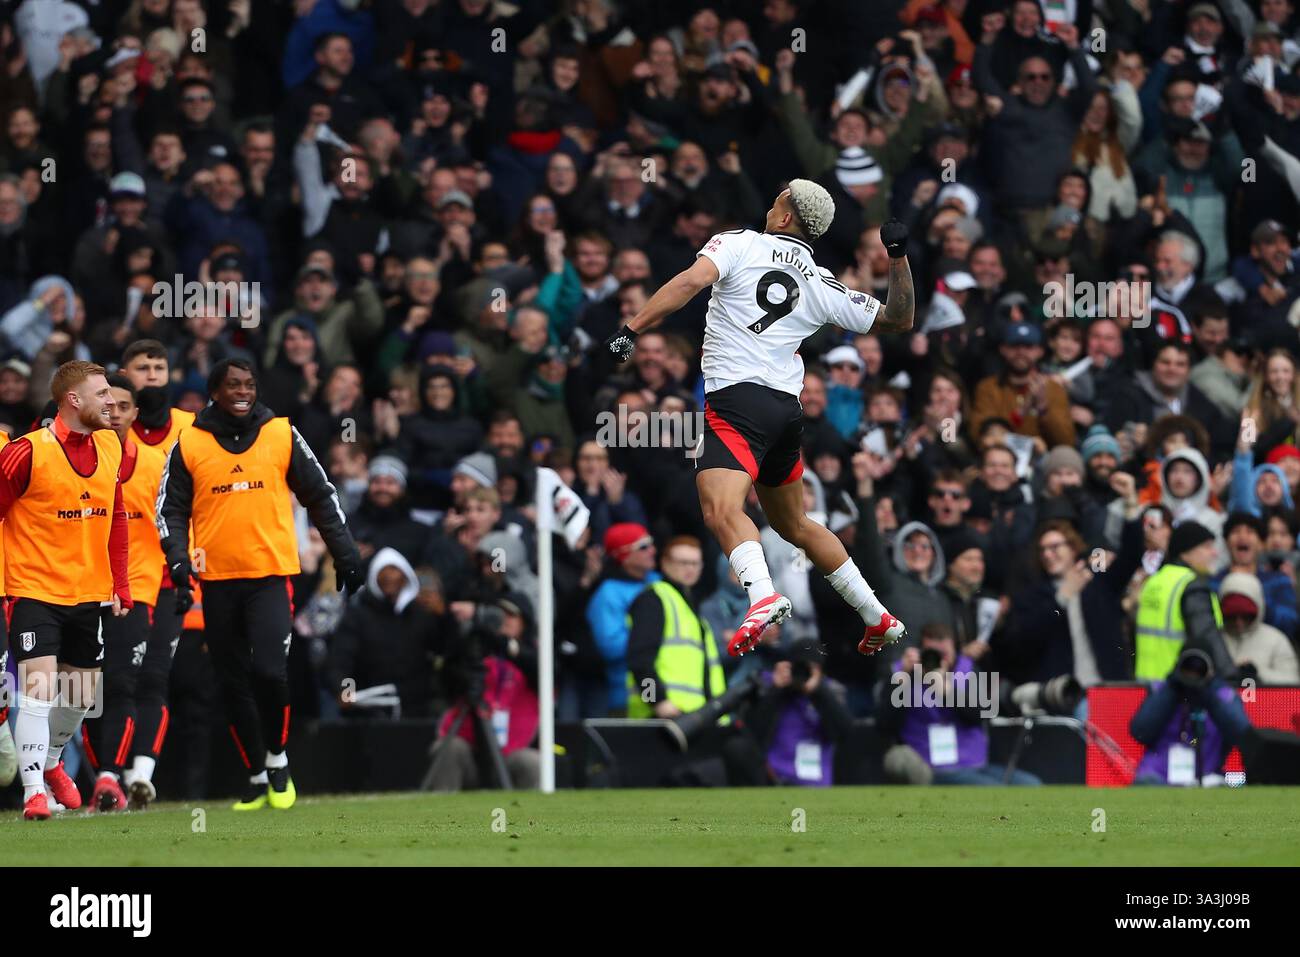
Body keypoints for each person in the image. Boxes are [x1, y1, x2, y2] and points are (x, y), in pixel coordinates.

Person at [603, 180, 916, 659]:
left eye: (776, 200)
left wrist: (630, 331)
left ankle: (762, 595)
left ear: (786, 216)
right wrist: (896, 256)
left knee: (721, 510)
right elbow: (898, 318)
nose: (769, 206)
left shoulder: (739, 243)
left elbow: (688, 283)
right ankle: (877, 615)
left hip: (736, 404)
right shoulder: (821, 280)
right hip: (785, 414)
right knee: (795, 524)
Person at [157, 358, 366, 810]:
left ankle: (277, 758)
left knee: (269, 672)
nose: (242, 391)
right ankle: (256, 773)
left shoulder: (280, 433)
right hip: (217, 582)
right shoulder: (189, 442)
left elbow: (320, 494)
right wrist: (177, 559)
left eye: (249, 384)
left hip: (271, 576)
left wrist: (344, 550)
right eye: (233, 384)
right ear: (215, 390)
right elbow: (170, 509)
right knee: (232, 682)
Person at [0, 361, 133, 821]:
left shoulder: (113, 446)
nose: (111, 403)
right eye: (102, 395)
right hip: (33, 587)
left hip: (89, 592)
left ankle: (54, 762)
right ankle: (34, 791)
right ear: (73, 400)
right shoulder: (25, 452)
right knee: (38, 686)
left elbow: (116, 517)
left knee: (80, 695)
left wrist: (121, 582)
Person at [80, 375, 169, 811]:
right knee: (76, 693)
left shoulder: (158, 464)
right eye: (106, 404)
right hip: (77, 589)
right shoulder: (70, 458)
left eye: (123, 406)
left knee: (121, 684)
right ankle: (79, 779)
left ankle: (111, 778)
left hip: (136, 592)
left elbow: (175, 525)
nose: (113, 413)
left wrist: (182, 580)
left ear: (136, 413)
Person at [116, 338, 195, 808]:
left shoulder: (190, 429)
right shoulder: (104, 434)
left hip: (166, 574)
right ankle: (107, 772)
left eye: (159, 367)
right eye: (141, 367)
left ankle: (140, 773)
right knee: (104, 681)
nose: (152, 375)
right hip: (106, 576)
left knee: (153, 676)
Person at [1134, 520, 1234, 683]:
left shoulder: (1154, 581)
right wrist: (1232, 676)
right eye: (1207, 547)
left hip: (1147, 687)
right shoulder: (1191, 585)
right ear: (1185, 552)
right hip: (1180, 689)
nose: (1214, 553)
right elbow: (1206, 635)